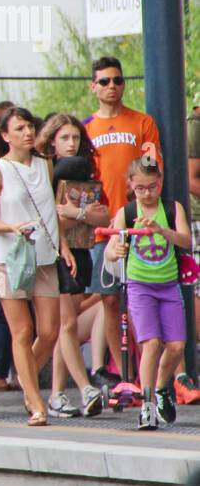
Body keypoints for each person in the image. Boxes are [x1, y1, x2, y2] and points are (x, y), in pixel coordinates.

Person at [0, 106, 76, 427]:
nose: (27, 133)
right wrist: (12, 228)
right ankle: (36, 403)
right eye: (19, 128)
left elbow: (50, 209)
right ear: (6, 136)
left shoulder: (44, 164)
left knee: (49, 331)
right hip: (8, 256)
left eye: (29, 127)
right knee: (21, 330)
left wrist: (64, 246)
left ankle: (26, 380)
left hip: (44, 256)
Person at [84, 56, 160, 387]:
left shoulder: (141, 122)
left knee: (143, 296)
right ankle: (123, 371)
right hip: (104, 226)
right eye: (104, 81)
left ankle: (151, 371)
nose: (111, 86)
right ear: (93, 86)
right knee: (110, 299)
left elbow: (154, 169)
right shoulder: (87, 129)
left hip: (137, 222)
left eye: (117, 80)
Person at [104, 158, 191, 430]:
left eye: (151, 187)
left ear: (160, 183)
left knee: (176, 346)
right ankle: (148, 404)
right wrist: (114, 251)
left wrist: (161, 230)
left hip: (168, 284)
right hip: (140, 286)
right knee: (151, 343)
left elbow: (187, 241)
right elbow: (110, 247)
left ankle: (163, 386)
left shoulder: (171, 208)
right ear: (131, 185)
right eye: (140, 188)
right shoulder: (127, 212)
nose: (146, 193)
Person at [37, 113, 108, 418]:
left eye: (76, 138)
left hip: (81, 250)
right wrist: (80, 214)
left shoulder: (85, 172)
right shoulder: (43, 171)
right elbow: (50, 219)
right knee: (65, 323)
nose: (71, 143)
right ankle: (85, 387)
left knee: (62, 327)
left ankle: (55, 393)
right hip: (54, 253)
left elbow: (103, 215)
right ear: (52, 140)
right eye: (64, 137)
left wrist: (78, 213)